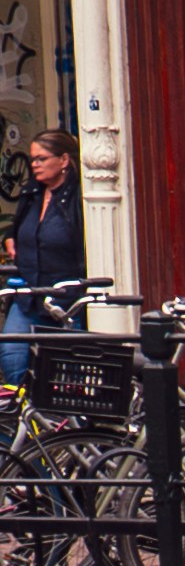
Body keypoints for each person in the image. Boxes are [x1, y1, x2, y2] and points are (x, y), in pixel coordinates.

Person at [5, 133, 80, 392]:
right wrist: (9, 239)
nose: (34, 164)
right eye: (32, 159)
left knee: (67, 375)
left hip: (67, 298)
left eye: (41, 158)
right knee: (12, 357)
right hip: (29, 294)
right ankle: (23, 424)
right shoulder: (32, 192)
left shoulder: (78, 197)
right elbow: (17, 229)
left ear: (63, 160)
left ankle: (64, 428)